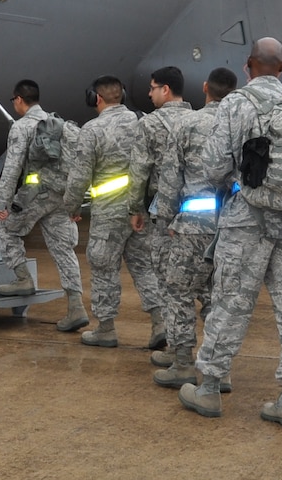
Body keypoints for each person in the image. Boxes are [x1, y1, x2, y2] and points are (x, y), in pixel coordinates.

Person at [178, 39, 282, 429]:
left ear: (248, 66)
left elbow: (212, 166)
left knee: (231, 302)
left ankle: (209, 388)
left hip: (248, 220)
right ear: (281, 68)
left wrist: (240, 181)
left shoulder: (236, 104)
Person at [148, 67, 236, 389]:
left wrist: (167, 220)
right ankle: (219, 369)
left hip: (195, 225)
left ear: (204, 88)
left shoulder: (190, 123)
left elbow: (170, 179)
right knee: (219, 296)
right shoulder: (241, 124)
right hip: (234, 224)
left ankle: (183, 362)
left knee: (178, 290)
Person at [58, 76, 151, 346]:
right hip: (140, 211)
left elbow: (79, 177)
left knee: (103, 267)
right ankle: (160, 325)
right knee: (145, 268)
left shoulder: (92, 129)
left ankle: (106, 329)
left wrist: (72, 207)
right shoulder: (141, 122)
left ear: (95, 98)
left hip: (109, 212)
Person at [0, 80, 84, 322]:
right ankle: (76, 308)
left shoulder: (21, 127)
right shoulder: (60, 124)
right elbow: (81, 161)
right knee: (63, 250)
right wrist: (76, 201)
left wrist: (1, 204)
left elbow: (11, 169)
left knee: (6, 231)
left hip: (35, 194)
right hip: (61, 196)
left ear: (19, 100)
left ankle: (24, 280)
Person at [126, 67, 200, 353]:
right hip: (201, 215)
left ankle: (177, 348)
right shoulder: (200, 119)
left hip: (163, 214)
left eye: (153, 87)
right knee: (203, 285)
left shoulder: (150, 124)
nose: (149, 93)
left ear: (165, 90)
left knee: (168, 281)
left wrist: (136, 209)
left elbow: (139, 171)